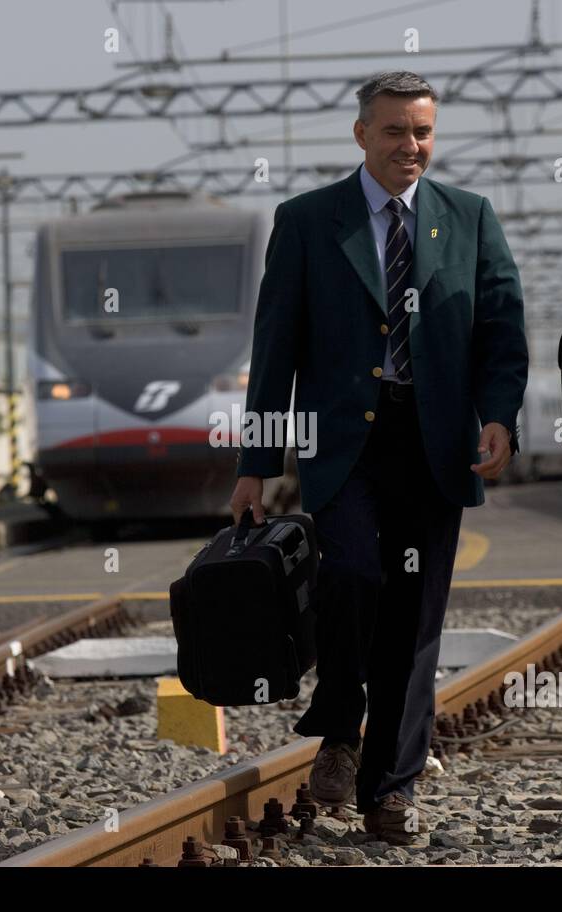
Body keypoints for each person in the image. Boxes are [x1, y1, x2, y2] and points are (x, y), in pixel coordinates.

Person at [229, 70, 528, 844]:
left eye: (424, 131)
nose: (412, 145)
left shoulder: (469, 218)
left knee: (414, 620)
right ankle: (339, 720)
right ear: (362, 135)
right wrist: (255, 464)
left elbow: (500, 326)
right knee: (354, 574)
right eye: (396, 131)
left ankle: (388, 792)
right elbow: (275, 352)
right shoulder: (306, 222)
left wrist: (499, 415)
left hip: (435, 444)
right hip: (343, 445)